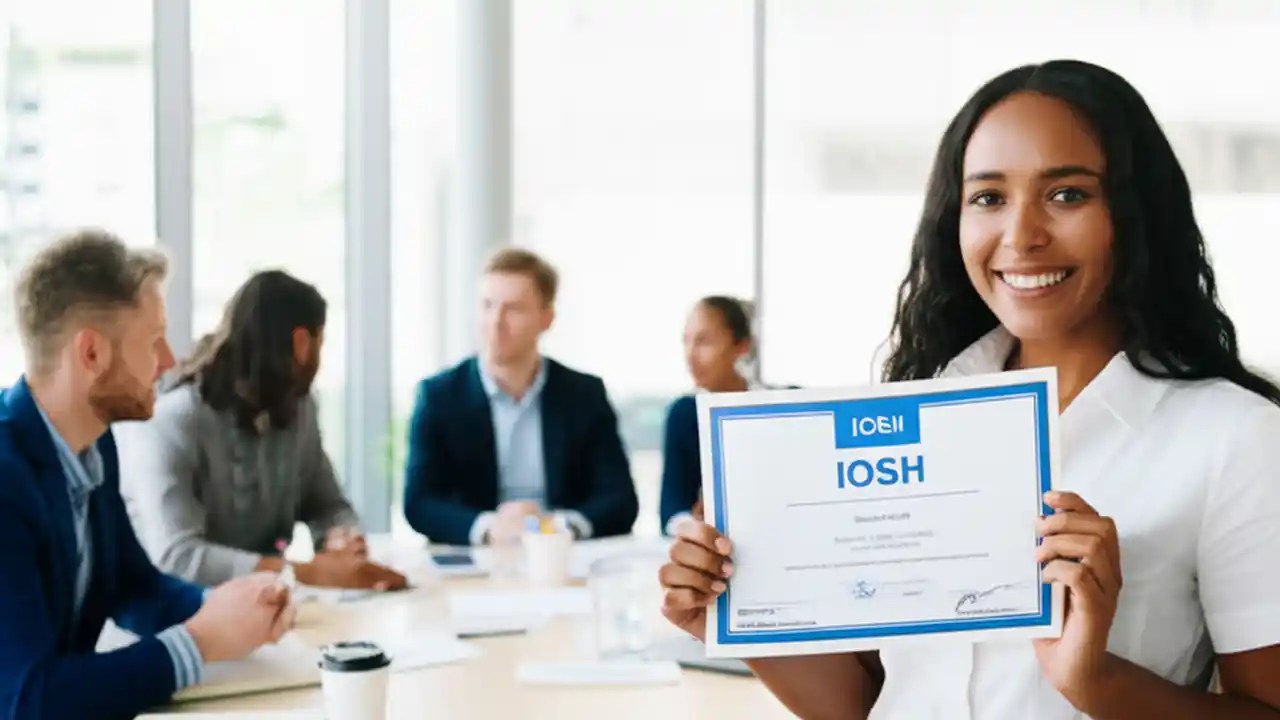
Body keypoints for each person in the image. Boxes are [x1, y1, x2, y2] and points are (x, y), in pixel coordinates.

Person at [658, 60, 1280, 718]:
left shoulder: (1235, 439)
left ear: (1133, 213)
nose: (1021, 236)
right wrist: (732, 612)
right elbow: (868, 701)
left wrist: (1097, 682)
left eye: (1067, 194)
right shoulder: (919, 409)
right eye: (988, 197)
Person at [0, 231, 295, 720]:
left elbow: (133, 588)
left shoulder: (93, 443)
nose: (169, 361)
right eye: (153, 339)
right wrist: (198, 642)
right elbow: (29, 700)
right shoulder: (5, 481)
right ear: (91, 354)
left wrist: (231, 608)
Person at [115, 271, 406, 592]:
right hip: (181, 621)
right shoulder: (175, 418)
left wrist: (340, 537)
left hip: (266, 613)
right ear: (301, 344)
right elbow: (176, 557)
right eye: (321, 343)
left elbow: (326, 503)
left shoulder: (300, 408)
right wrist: (304, 573)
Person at [403, 247, 638, 546]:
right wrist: (490, 527)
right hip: (477, 559)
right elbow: (420, 503)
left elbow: (619, 499)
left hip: (561, 556)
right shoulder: (439, 395)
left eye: (513, 309)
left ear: (546, 318)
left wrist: (556, 527)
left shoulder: (584, 394)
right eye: (487, 305)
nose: (496, 322)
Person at [659, 296, 756, 535]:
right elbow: (671, 508)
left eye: (704, 342)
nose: (690, 355)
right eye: (686, 341)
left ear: (742, 345)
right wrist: (693, 528)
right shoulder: (684, 414)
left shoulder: (785, 405)